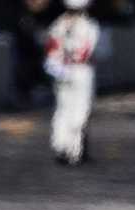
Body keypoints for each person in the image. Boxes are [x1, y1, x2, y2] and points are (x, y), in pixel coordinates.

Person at [43, 0, 99, 166]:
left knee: (62, 109)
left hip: (60, 70)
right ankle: (74, 151)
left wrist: (60, 63)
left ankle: (60, 147)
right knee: (79, 111)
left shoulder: (57, 24)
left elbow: (51, 49)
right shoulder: (89, 25)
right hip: (81, 70)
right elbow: (87, 51)